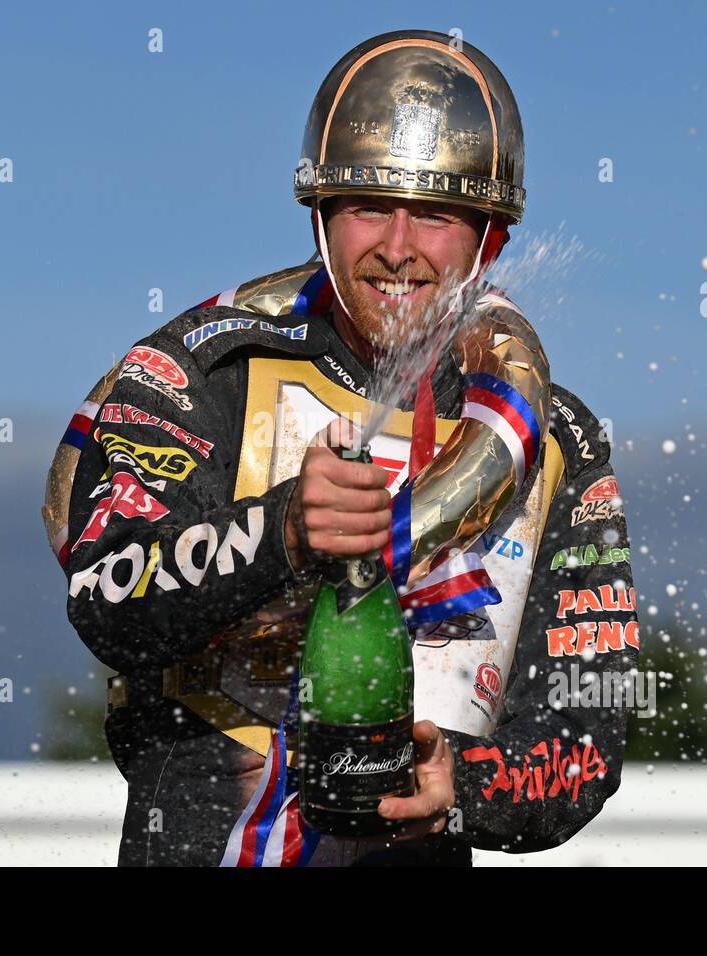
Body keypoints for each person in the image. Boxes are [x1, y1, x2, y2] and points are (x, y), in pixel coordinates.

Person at [55, 30, 638, 866]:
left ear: (490, 236)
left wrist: (461, 787)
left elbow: (584, 740)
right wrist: (285, 529)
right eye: (368, 205)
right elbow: (105, 598)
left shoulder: (556, 440)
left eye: (435, 213)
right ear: (321, 214)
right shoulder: (204, 371)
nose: (397, 247)